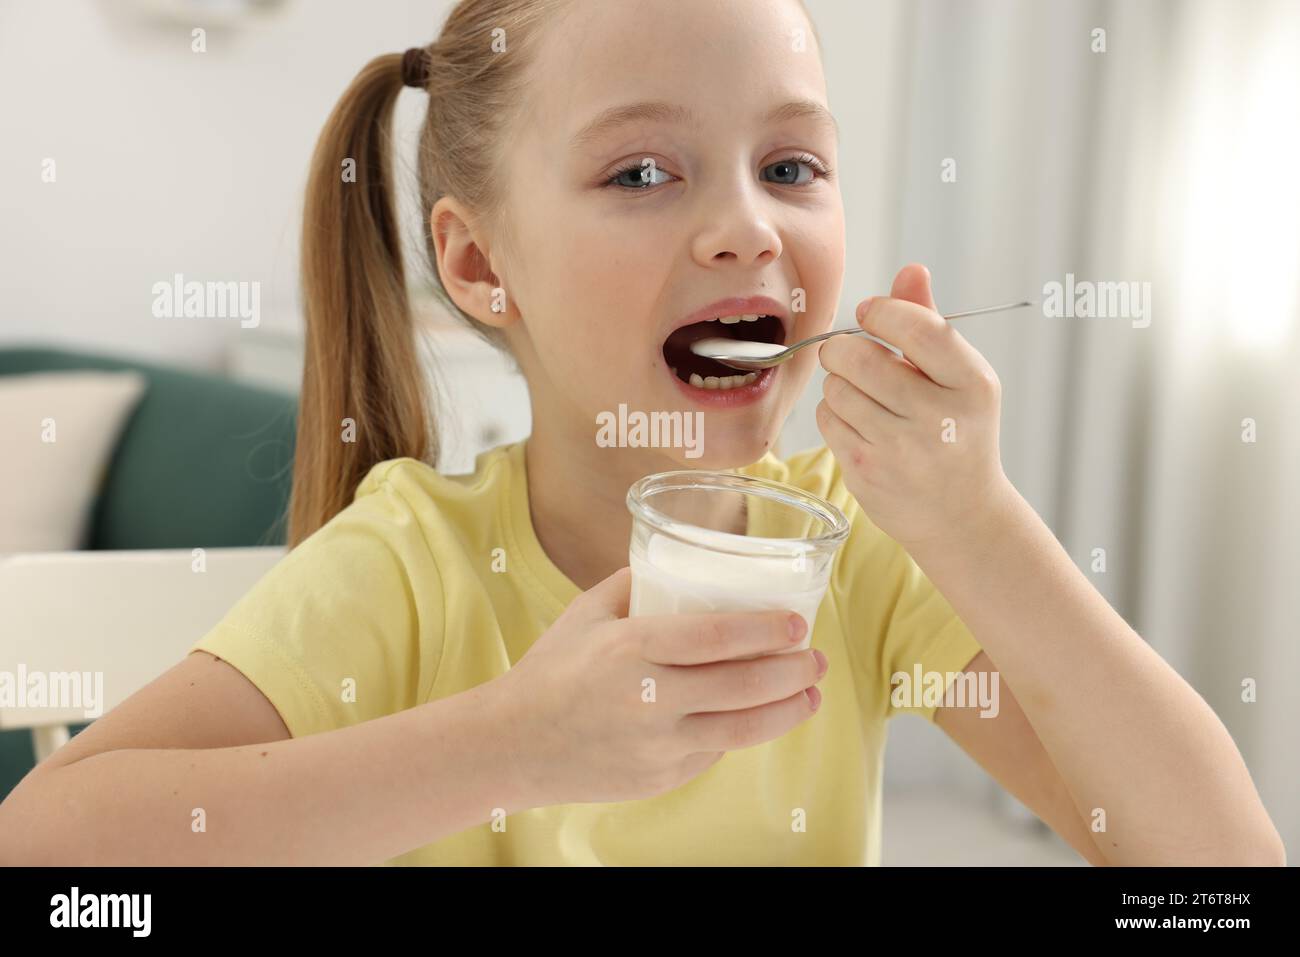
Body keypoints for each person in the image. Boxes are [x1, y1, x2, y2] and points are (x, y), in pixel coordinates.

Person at [0, 0, 1282, 867]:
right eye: (642, 174)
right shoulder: (408, 565)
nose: (749, 229)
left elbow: (1219, 869)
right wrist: (516, 744)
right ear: (479, 261)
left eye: (789, 167)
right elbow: (51, 856)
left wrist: (981, 527)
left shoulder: (864, 548)